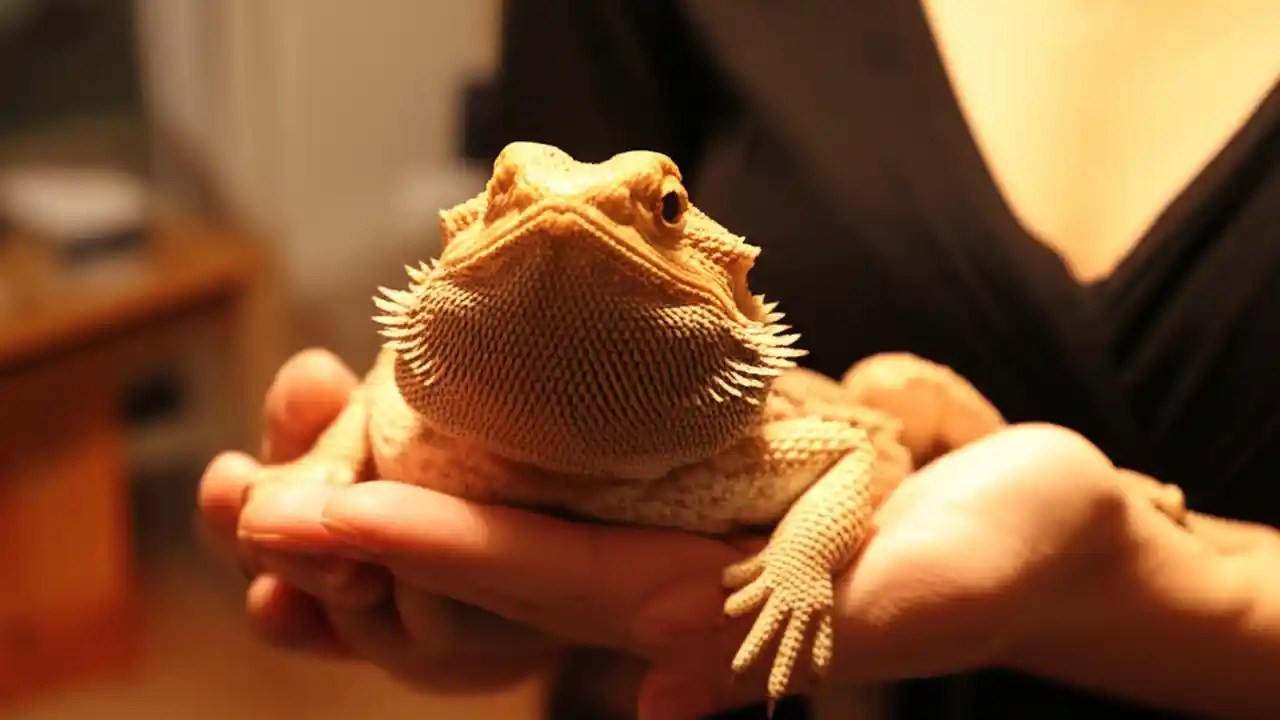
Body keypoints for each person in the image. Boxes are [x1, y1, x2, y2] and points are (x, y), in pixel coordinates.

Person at [199, 1, 1280, 718]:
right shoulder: (422, 417)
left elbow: (851, 461)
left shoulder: (751, 452)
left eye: (658, 209)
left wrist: (1134, 578)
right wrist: (350, 492)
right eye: (508, 201)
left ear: (728, 276)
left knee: (891, 391)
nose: (573, 221)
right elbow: (385, 391)